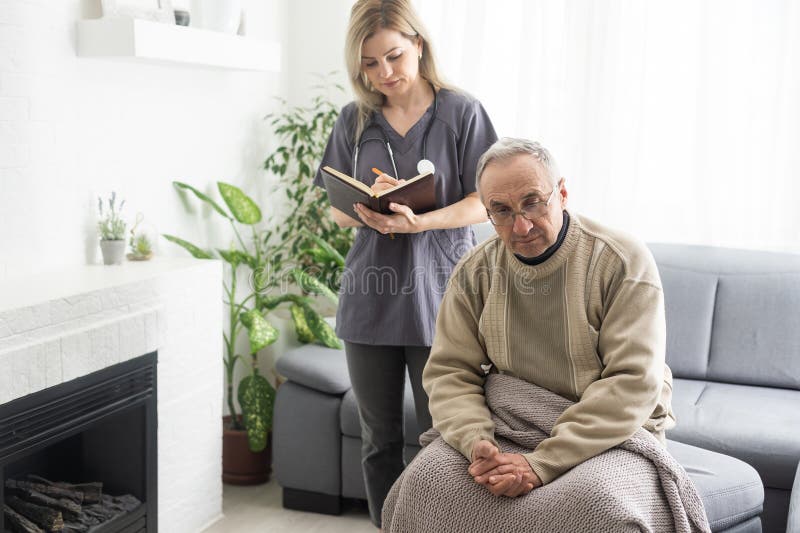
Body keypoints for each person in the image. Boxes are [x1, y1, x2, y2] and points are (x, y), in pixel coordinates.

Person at [312, 0, 497, 527]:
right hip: (369, 301)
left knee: (443, 438)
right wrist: (367, 208)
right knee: (379, 440)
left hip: (439, 296)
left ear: (419, 44)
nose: (384, 73)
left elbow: (483, 201)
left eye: (393, 56)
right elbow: (334, 207)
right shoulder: (355, 119)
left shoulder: (462, 111)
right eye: (369, 64)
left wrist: (422, 219)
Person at [422, 137, 675, 499]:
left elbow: (632, 382)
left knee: (596, 501)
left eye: (533, 203)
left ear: (563, 194)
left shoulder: (622, 260)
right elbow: (450, 372)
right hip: (508, 420)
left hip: (609, 428)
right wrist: (476, 440)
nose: (521, 227)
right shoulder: (474, 271)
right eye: (502, 212)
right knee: (427, 482)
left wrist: (542, 463)